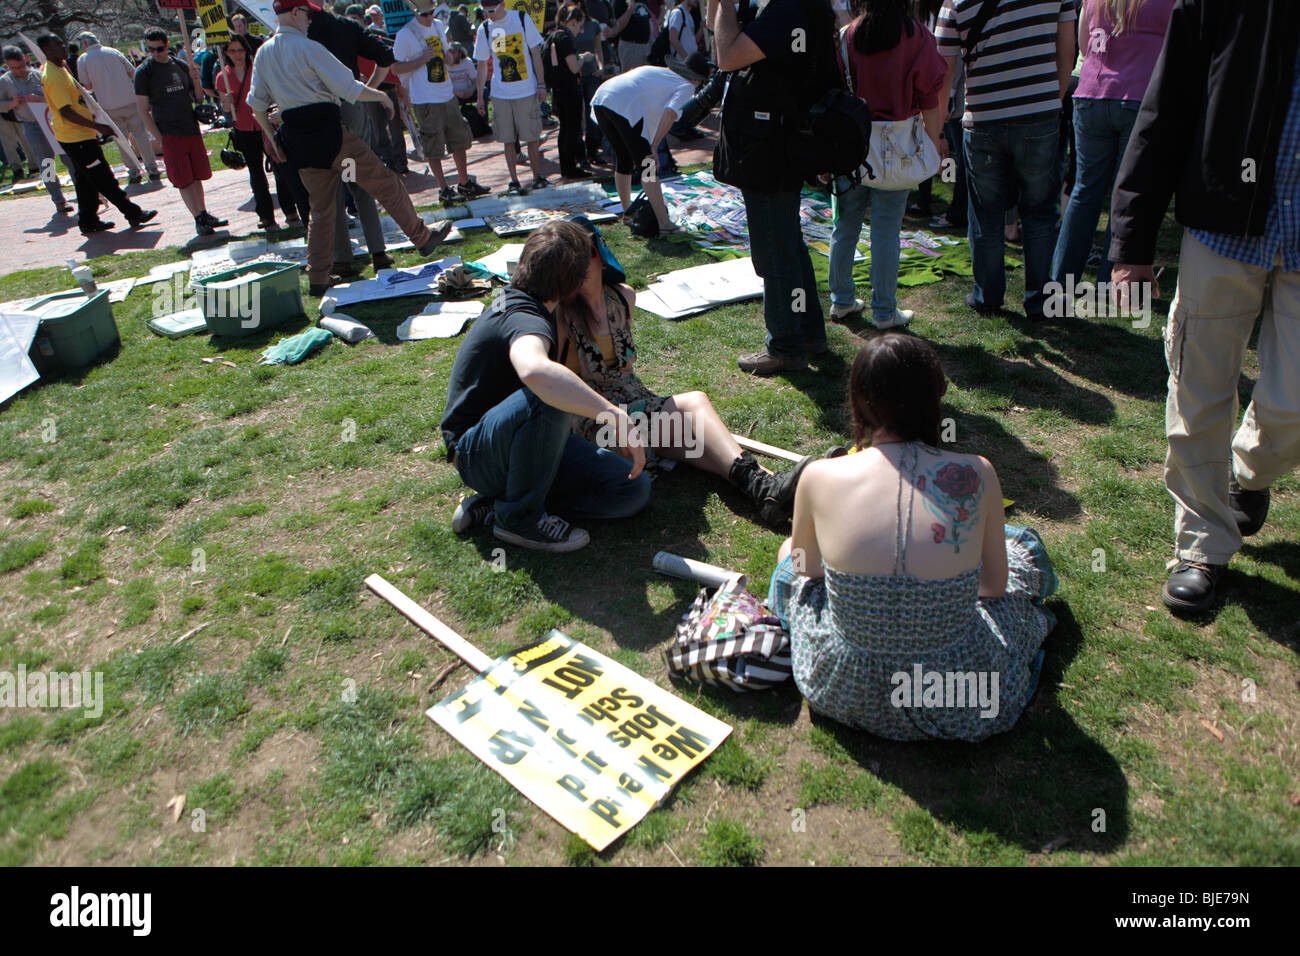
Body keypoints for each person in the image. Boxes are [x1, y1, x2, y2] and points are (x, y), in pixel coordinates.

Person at [767, 334, 1058, 740]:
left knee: (788, 558)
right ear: (934, 399)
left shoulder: (817, 475)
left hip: (847, 689)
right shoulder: (978, 472)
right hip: (959, 697)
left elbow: (806, 570)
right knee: (1020, 548)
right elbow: (992, 586)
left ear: (859, 401)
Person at [1110, 0, 1300, 614]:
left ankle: (1248, 471)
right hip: (1223, 229)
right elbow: (1166, 108)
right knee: (1199, 391)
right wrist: (1131, 241)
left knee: (1293, 400)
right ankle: (1201, 547)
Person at [557, 229, 812, 524]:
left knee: (703, 445)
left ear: (601, 257)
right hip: (599, 424)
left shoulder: (623, 298)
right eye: (570, 257)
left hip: (637, 408)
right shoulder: (562, 315)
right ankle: (783, 489)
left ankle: (774, 492)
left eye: (585, 254)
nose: (578, 263)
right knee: (694, 405)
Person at [441, 220, 652, 552]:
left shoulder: (542, 308)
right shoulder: (521, 314)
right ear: (573, 279)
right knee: (549, 392)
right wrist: (612, 414)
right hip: (477, 454)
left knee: (633, 489)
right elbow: (536, 371)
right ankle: (518, 520)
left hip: (523, 445)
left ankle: (500, 504)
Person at [248, 0, 452, 297]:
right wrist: (381, 98)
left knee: (321, 210)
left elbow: (256, 107)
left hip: (299, 141)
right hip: (332, 138)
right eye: (306, 14)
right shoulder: (309, 48)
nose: (309, 20)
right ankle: (422, 238)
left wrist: (272, 138)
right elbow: (350, 88)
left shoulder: (263, 53)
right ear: (294, 13)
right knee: (384, 182)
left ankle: (318, 276)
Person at [711, 0, 840, 375]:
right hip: (779, 144)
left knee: (775, 250)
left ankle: (785, 345)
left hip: (772, 148)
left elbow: (727, 54)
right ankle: (809, 332)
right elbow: (718, 30)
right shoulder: (791, 9)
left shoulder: (788, 10)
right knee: (787, 243)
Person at [935, 1, 1076, 319]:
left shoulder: (954, 1)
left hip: (983, 119)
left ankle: (987, 296)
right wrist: (1053, 100)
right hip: (1039, 114)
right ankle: (1040, 300)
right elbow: (1067, 52)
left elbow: (943, 71)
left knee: (986, 213)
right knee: (1040, 212)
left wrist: (940, 125)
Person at [828, 0, 945, 330]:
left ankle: (841, 301)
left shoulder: (844, 37)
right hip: (898, 148)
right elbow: (930, 99)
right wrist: (935, 144)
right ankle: (883, 312)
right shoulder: (918, 36)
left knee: (845, 225)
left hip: (848, 147)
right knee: (886, 232)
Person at [1049, 0, 1176, 295]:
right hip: (1139, 98)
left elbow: (1083, 47)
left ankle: (1062, 279)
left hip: (1092, 94)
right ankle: (1111, 282)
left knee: (1083, 191)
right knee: (1126, 196)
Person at [308, 3, 403, 273]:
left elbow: (385, 56)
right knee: (358, 178)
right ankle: (378, 251)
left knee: (332, 185)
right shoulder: (346, 26)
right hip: (350, 107)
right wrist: (366, 90)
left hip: (320, 109)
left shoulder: (299, 32)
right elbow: (385, 57)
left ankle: (342, 258)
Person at [37, 34, 157, 236]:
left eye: (61, 42)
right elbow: (66, 111)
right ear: (47, 50)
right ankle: (132, 213)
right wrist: (98, 126)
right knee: (103, 177)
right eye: (57, 44)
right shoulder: (53, 76)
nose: (63, 46)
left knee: (85, 180)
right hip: (76, 138)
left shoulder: (61, 69)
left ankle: (88, 220)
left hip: (80, 135)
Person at [393, 0, 492, 204]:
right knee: (433, 145)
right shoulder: (405, 34)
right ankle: (443, 189)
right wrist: (421, 59)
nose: (429, 17)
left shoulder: (438, 26)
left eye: (432, 12)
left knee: (459, 139)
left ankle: (464, 183)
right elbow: (396, 69)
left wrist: (448, 57)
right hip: (425, 99)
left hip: (446, 94)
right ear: (415, 12)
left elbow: (447, 57)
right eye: (425, 14)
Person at [591, 59, 705, 230]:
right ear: (696, 80)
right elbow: (670, 113)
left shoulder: (661, 72)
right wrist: (654, 146)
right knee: (648, 165)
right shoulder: (686, 86)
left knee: (624, 159)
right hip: (623, 104)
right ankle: (664, 222)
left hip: (601, 98)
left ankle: (627, 213)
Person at [135, 29, 228, 238]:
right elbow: (142, 109)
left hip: (190, 128)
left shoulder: (179, 65)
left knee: (197, 175)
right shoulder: (144, 72)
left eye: (159, 48)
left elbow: (198, 98)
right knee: (183, 179)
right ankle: (198, 218)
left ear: (167, 45)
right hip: (169, 132)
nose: (155, 53)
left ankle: (203, 212)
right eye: (150, 49)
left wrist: (197, 82)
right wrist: (159, 138)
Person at [475, 0, 551, 193]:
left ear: (502, 4)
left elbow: (536, 54)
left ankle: (537, 177)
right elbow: (482, 64)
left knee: (532, 137)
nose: (488, 14)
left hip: (526, 90)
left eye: (491, 10)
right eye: (484, 10)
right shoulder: (485, 28)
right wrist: (480, 96)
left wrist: (541, 83)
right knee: (507, 139)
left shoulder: (522, 19)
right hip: (500, 93)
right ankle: (514, 181)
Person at [75, 31, 162, 184]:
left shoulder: (83, 59)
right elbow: (132, 72)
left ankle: (134, 172)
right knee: (141, 136)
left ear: (84, 44)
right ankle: (152, 168)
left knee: (121, 140)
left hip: (109, 105)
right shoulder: (113, 52)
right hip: (130, 100)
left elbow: (87, 85)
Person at [216, 34, 282, 230]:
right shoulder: (223, 77)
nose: (237, 54)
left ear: (247, 50)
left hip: (265, 125)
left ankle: (290, 210)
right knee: (256, 173)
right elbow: (226, 109)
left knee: (280, 167)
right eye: (232, 51)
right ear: (226, 53)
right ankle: (266, 216)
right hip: (244, 128)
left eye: (240, 50)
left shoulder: (257, 70)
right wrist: (226, 104)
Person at [0, 47, 71, 214]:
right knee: (46, 164)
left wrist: (36, 99)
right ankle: (59, 200)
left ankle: (87, 194)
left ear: (26, 60)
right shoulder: (5, 81)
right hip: (31, 125)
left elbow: (57, 96)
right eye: (13, 68)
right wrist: (11, 104)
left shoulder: (39, 75)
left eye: (21, 66)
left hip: (51, 122)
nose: (18, 71)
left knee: (68, 158)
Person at [546, 5, 596, 178]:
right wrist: (584, 58)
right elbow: (574, 67)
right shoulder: (565, 38)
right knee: (572, 130)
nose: (580, 30)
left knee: (565, 129)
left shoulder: (553, 35)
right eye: (579, 25)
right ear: (573, 22)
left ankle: (567, 167)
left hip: (558, 90)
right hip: (568, 89)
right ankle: (570, 168)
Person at [605, 0, 653, 71]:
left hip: (645, 46)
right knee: (630, 77)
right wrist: (629, 9)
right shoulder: (620, 2)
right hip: (630, 45)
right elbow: (617, 25)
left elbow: (647, 21)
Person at [664, 0, 701, 81]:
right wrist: (687, 59)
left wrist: (701, 28)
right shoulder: (678, 13)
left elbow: (692, 41)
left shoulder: (689, 16)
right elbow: (673, 39)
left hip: (687, 66)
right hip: (680, 64)